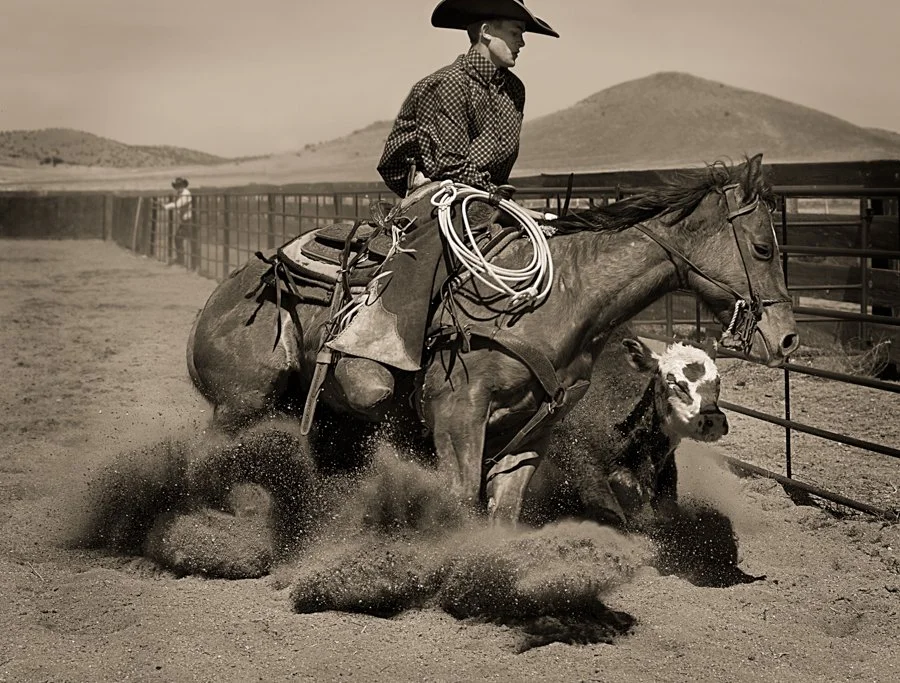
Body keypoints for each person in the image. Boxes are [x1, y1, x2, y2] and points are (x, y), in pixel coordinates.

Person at [326, 0, 558, 414]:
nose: (522, 42)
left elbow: (491, 165)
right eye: (515, 31)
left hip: (482, 194)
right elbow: (450, 164)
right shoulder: (447, 83)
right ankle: (370, 346)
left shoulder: (514, 91)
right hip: (435, 186)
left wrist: (503, 202)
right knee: (431, 237)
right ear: (486, 31)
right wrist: (490, 196)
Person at [161, 177, 193, 265]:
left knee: (179, 238)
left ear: (183, 185)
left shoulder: (186, 194)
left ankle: (182, 261)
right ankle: (183, 260)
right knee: (181, 239)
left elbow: (178, 205)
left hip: (189, 220)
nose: (178, 188)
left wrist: (166, 206)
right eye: (176, 186)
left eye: (179, 185)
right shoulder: (181, 194)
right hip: (185, 221)